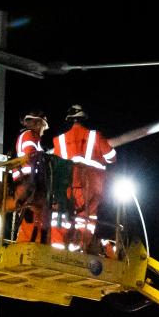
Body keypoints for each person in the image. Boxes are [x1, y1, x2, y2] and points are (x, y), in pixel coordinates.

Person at [51, 104, 116, 251]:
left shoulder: (59, 140)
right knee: (85, 219)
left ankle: (57, 249)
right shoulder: (95, 136)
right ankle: (80, 249)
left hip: (65, 186)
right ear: (84, 119)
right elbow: (112, 157)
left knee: (60, 216)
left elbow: (55, 163)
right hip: (91, 187)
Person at [11, 111, 50, 243]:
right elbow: (31, 155)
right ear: (37, 123)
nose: (43, 131)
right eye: (43, 127)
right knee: (30, 215)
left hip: (30, 183)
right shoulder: (29, 135)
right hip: (27, 183)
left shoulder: (32, 138)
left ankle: (36, 241)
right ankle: (27, 243)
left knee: (36, 214)